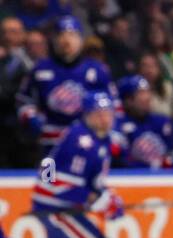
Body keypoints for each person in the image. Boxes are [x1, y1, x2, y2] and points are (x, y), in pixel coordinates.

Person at [8, 91, 122, 238]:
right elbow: (58, 182)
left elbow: (91, 185)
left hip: (59, 207)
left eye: (107, 113)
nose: (104, 119)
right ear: (88, 115)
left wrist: (108, 199)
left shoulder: (99, 139)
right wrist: (99, 201)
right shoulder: (81, 140)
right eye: (98, 114)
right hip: (55, 208)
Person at [16, 15, 114, 155]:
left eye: (72, 35)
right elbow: (24, 101)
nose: (66, 41)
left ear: (81, 40)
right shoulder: (40, 69)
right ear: (54, 40)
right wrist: (30, 117)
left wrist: (113, 134)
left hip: (88, 141)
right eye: (61, 35)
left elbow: (114, 104)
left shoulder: (97, 70)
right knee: (49, 176)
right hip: (50, 142)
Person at [112, 74, 173, 168]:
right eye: (141, 93)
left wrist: (168, 162)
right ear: (127, 100)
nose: (147, 98)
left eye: (148, 92)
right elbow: (118, 161)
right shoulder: (117, 124)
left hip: (165, 179)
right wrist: (150, 164)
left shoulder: (163, 122)